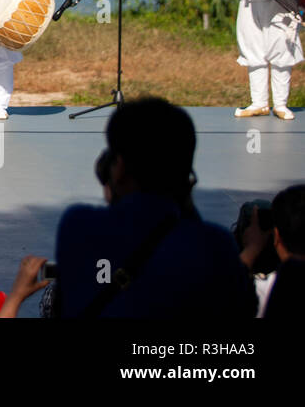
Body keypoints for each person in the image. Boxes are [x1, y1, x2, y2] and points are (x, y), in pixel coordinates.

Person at [53, 98, 256, 318]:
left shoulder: (77, 225)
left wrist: (114, 186)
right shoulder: (216, 244)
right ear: (186, 175)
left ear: (118, 168)